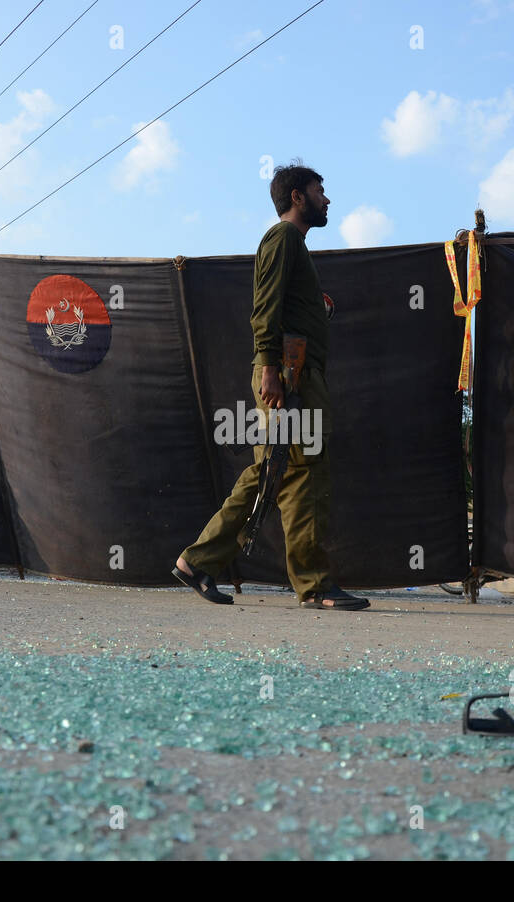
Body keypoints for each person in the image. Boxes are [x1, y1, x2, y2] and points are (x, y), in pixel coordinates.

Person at [172, 163, 370, 611]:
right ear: (297, 197)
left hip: (293, 373)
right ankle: (314, 585)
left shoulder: (294, 246)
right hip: (288, 374)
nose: (327, 199)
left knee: (271, 471)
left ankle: (196, 562)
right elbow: (264, 305)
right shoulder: (282, 238)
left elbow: (283, 300)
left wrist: (313, 307)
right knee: (302, 473)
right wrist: (268, 368)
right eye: (321, 191)